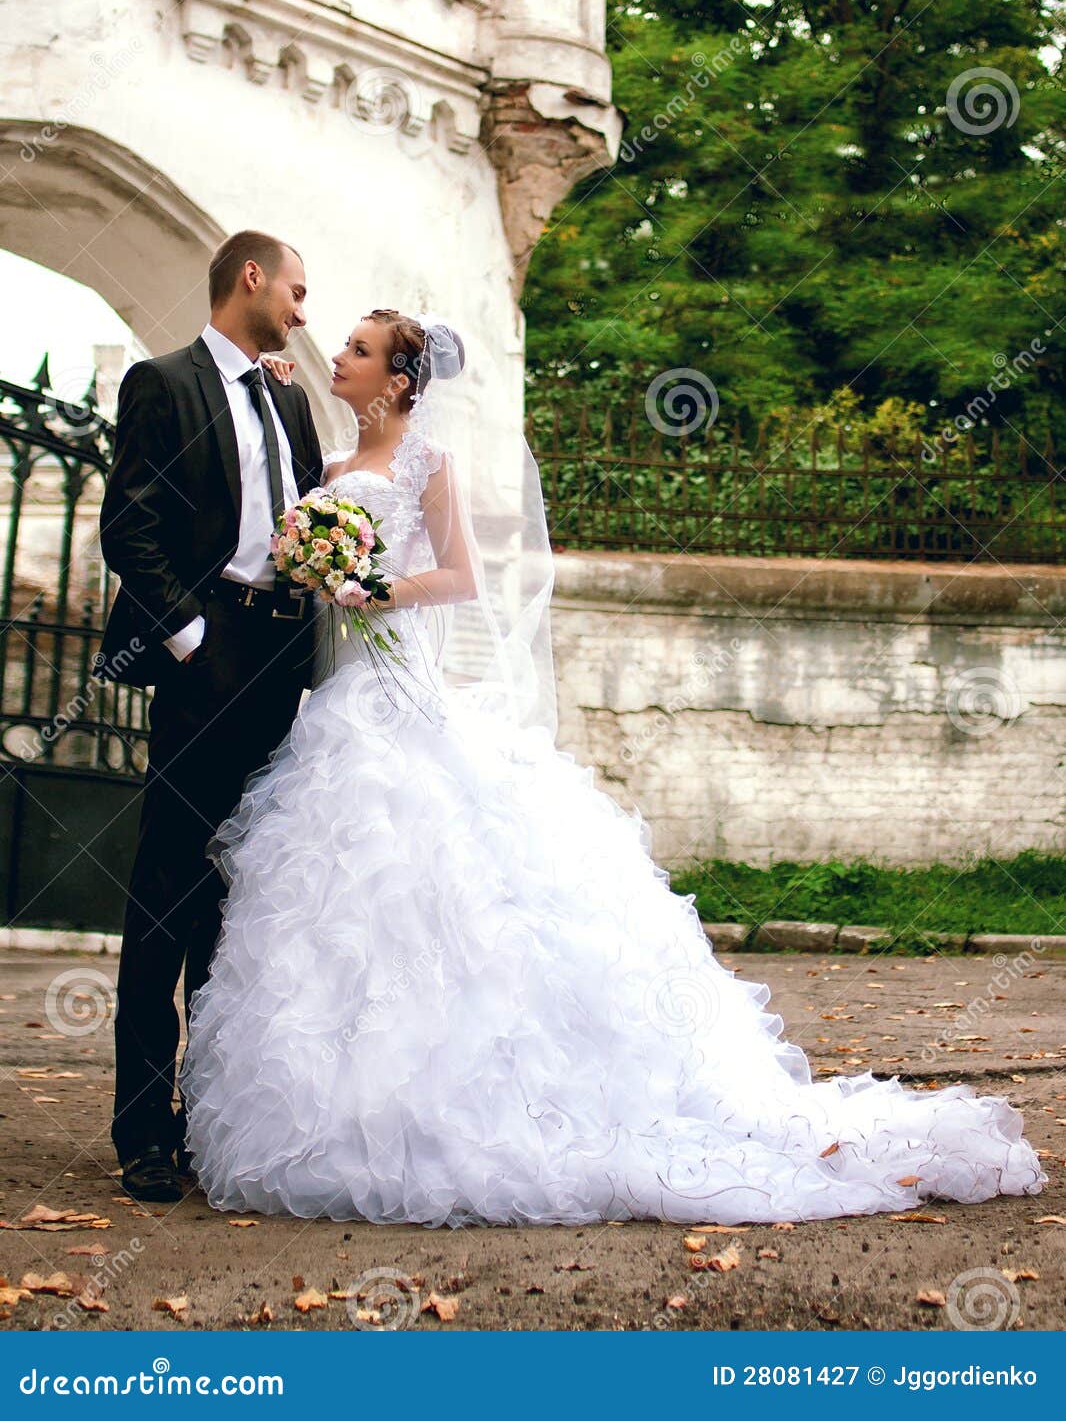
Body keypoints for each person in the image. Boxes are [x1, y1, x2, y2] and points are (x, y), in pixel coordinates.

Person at [178, 309, 1046, 1226]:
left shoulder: (429, 467)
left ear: (397, 381)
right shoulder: (329, 468)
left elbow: (463, 578)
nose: (340, 359)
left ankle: (476, 1105)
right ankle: (332, 1105)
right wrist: (311, 565)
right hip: (341, 692)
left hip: (398, 684)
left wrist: (371, 585)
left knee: (427, 868)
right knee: (336, 892)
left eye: (356, 350)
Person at [97, 230, 322, 1202]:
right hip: (206, 654)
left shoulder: (293, 396)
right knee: (168, 894)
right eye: (297, 290)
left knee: (240, 903)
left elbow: (310, 520)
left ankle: (212, 1117)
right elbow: (128, 525)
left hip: (282, 661)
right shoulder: (162, 382)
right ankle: (145, 1130)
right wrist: (190, 639)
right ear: (252, 278)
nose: (304, 312)